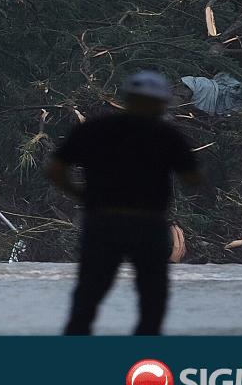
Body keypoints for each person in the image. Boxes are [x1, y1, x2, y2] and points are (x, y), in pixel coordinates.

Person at [45, 71, 204, 335]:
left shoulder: (93, 130)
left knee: (90, 292)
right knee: (151, 297)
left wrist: (80, 194)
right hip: (146, 224)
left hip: (103, 222)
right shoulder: (167, 136)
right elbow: (193, 178)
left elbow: (55, 170)